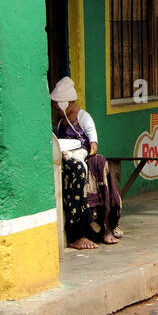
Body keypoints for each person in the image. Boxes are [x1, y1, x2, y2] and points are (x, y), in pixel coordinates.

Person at [51, 76, 123, 249]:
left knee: (86, 166)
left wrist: (92, 145)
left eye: (57, 106)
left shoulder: (83, 117)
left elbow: (92, 137)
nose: (55, 109)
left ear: (65, 103)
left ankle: (104, 226)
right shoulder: (61, 121)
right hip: (65, 153)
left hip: (80, 152)